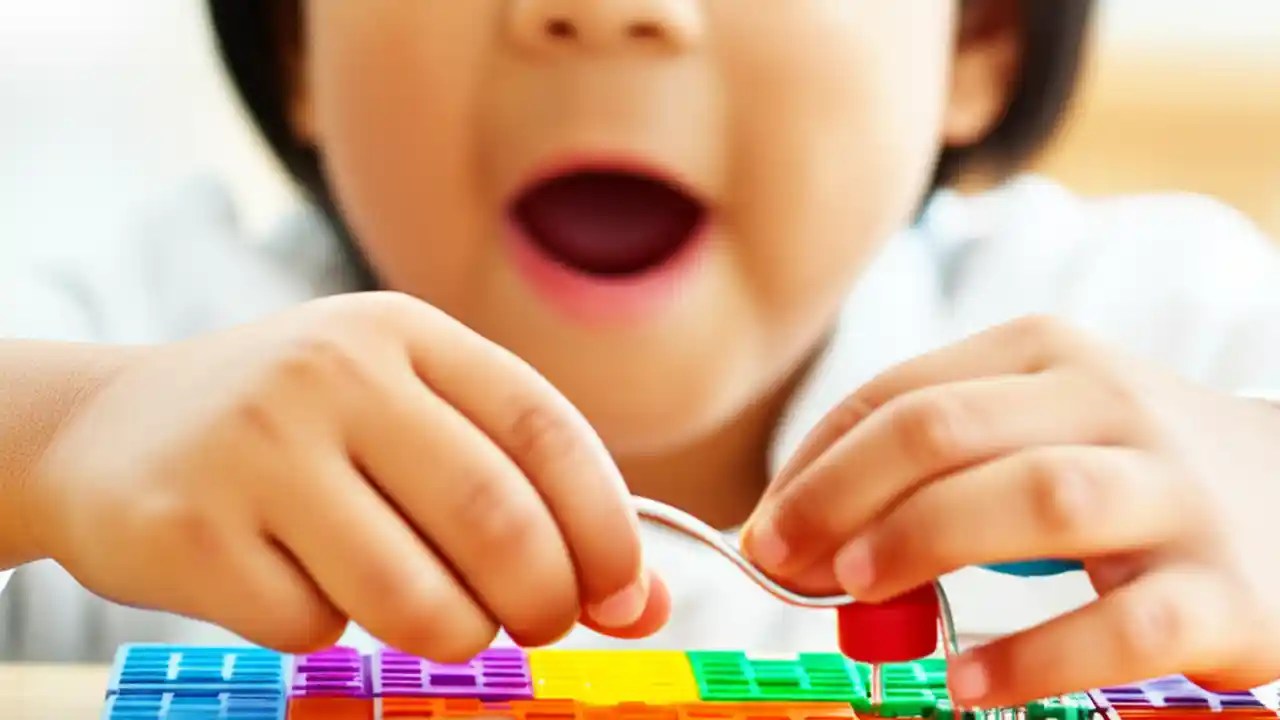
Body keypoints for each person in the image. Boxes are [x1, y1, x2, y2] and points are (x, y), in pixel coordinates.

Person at [3, 0, 1280, 704]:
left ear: (975, 41)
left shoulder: (1176, 330)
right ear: (296, 43)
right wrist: (50, 441)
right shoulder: (127, 333)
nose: (607, 11)